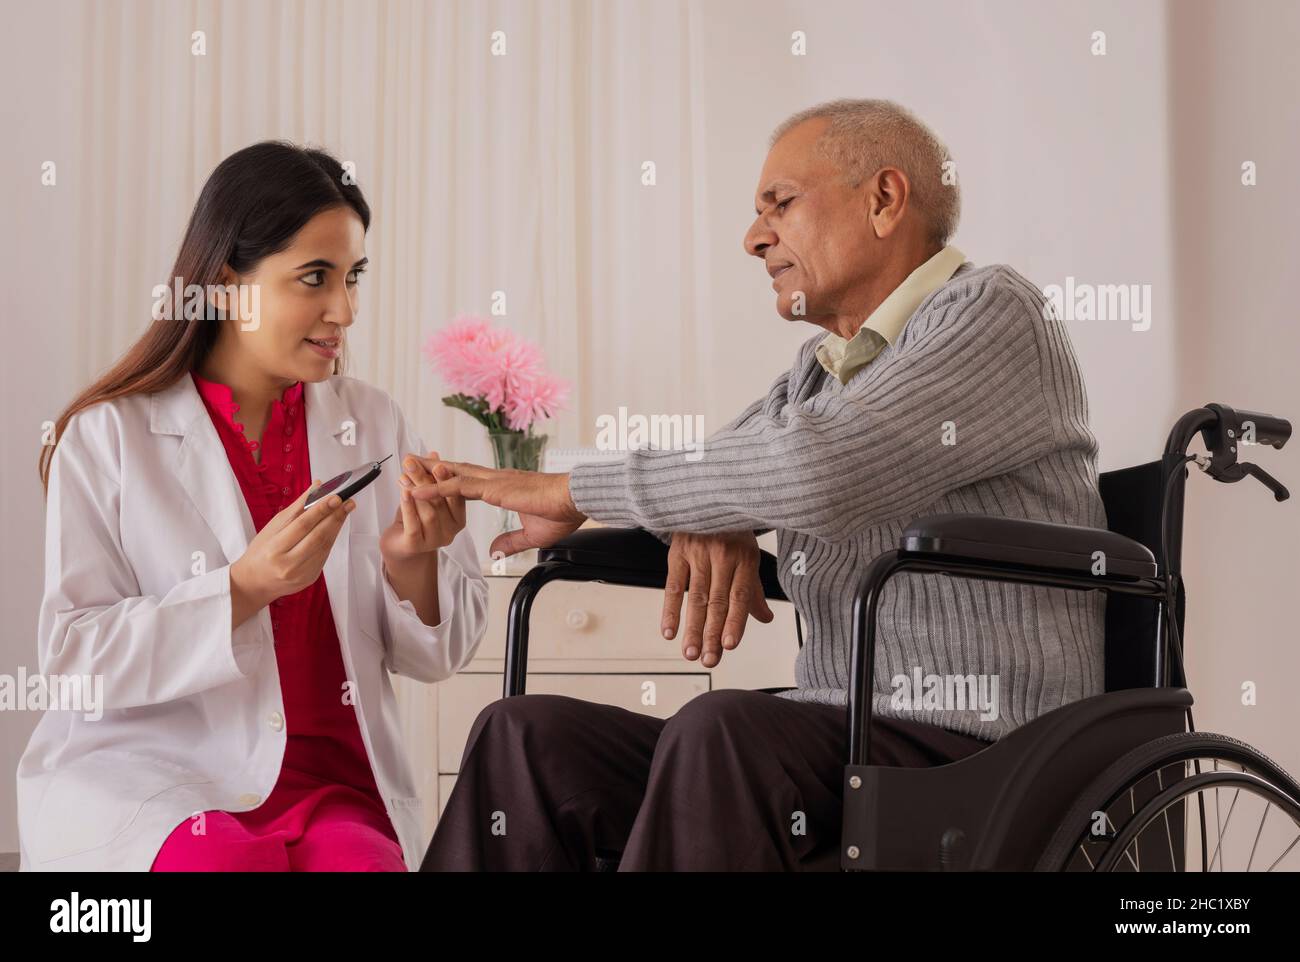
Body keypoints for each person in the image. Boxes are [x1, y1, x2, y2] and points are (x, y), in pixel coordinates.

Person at [417, 100, 1106, 871]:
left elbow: (818, 470)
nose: (754, 239)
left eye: (780, 205)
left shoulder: (992, 312)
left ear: (883, 200)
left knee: (721, 730)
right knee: (525, 738)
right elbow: (734, 468)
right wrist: (715, 516)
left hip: (986, 745)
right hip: (840, 738)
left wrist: (573, 492)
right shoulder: (819, 368)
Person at [18, 141, 489, 872]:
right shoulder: (110, 434)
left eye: (353, 277)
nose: (346, 310)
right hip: (160, 782)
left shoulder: (374, 422)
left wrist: (411, 563)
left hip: (332, 788)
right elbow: (76, 658)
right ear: (227, 281)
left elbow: (436, 657)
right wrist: (241, 589)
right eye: (314, 278)